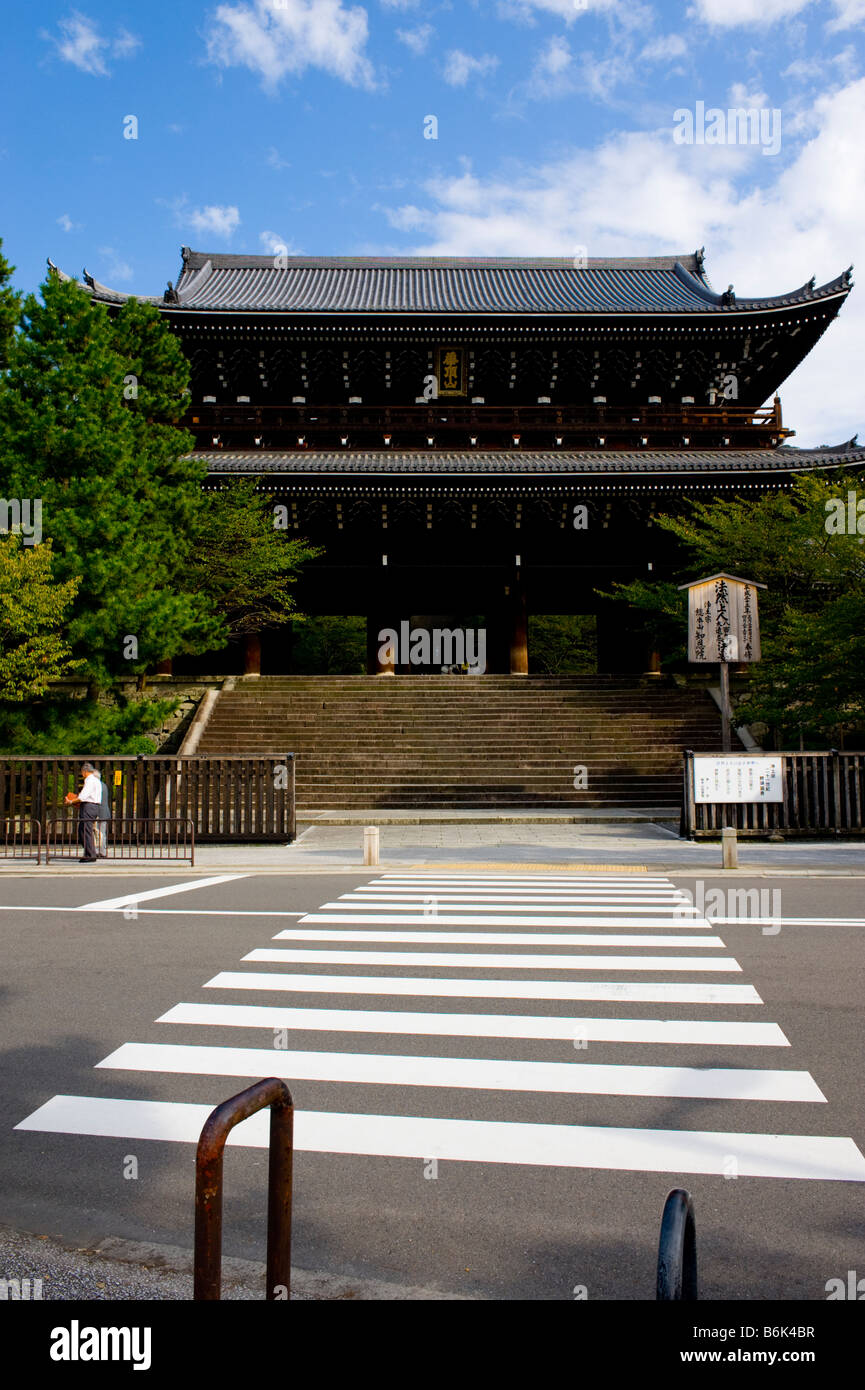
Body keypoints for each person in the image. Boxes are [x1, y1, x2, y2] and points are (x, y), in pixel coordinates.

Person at [65, 763, 103, 863]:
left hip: (88, 806)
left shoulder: (89, 780)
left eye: (82, 772)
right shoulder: (96, 781)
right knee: (84, 830)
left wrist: (71, 801)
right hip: (94, 806)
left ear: (85, 771)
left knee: (85, 831)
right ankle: (89, 853)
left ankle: (90, 854)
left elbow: (83, 796)